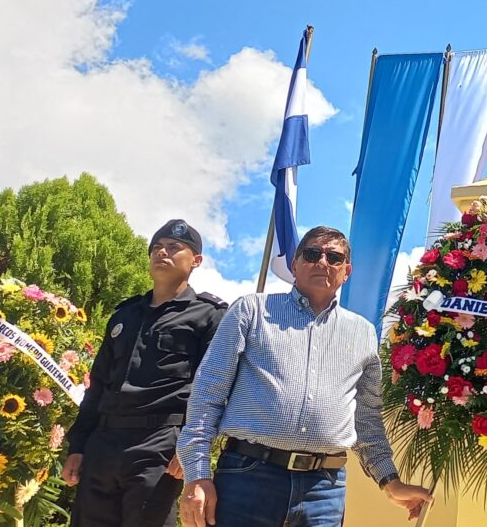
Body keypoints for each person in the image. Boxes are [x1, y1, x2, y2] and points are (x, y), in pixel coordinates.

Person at [176, 226, 433, 527]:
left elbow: (367, 420)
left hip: (324, 491)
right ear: (295, 264)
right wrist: (197, 475)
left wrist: (389, 481)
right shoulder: (252, 311)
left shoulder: (363, 333)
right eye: (312, 254)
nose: (322, 262)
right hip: (248, 477)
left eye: (334, 257)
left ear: (346, 271)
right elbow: (208, 395)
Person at [61, 219, 227, 527]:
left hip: (160, 446)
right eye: (157, 247)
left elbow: (214, 391)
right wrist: (79, 447)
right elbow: (97, 386)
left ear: (196, 261)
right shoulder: (124, 314)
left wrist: (192, 451)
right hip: (104, 443)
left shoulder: (210, 316)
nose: (162, 252)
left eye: (174, 247)